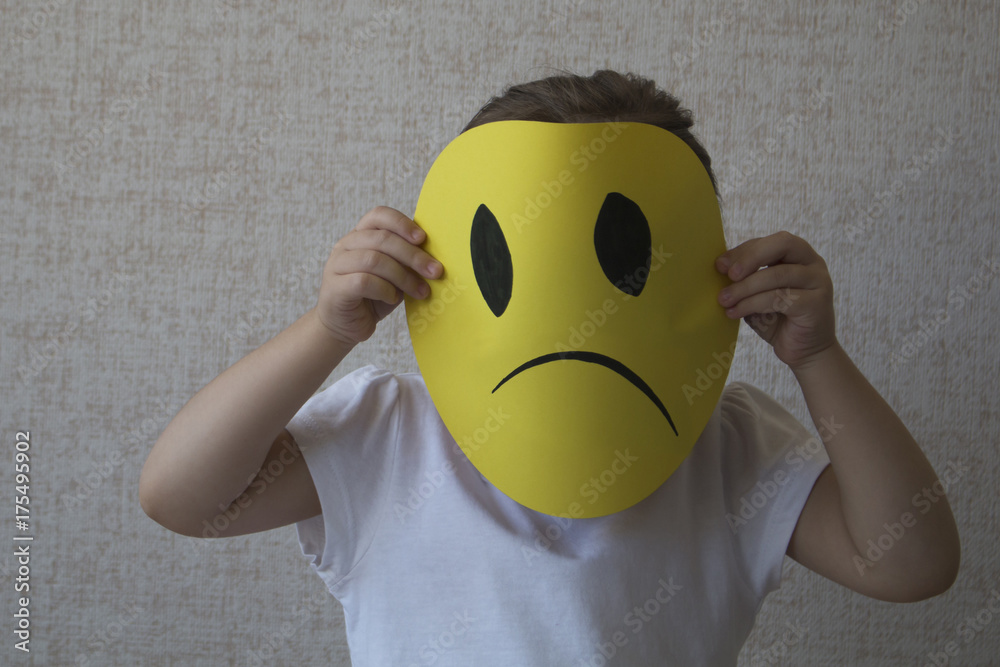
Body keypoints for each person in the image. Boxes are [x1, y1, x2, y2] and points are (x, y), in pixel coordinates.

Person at [139, 69, 961, 665]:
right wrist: (324, 332)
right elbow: (181, 495)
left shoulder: (733, 448)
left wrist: (818, 358)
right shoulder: (387, 437)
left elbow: (912, 561)